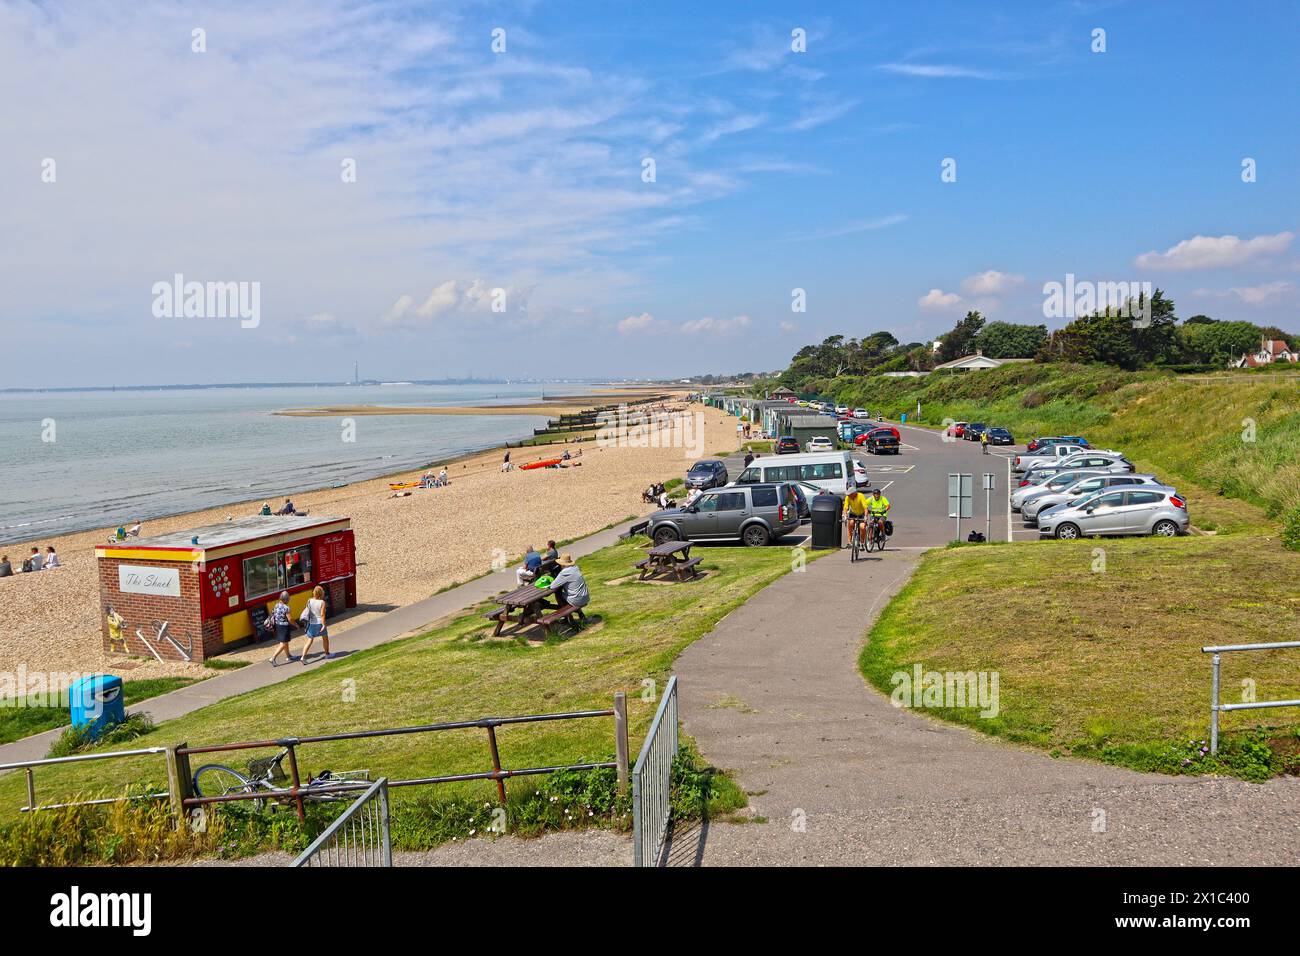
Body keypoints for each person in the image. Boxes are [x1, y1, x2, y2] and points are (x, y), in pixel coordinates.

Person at [551, 554, 590, 621]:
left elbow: (552, 586)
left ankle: (568, 617)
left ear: (562, 564)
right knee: (573, 594)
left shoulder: (565, 572)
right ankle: (580, 614)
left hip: (578, 600)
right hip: (585, 597)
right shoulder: (576, 568)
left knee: (558, 594)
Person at [299, 585, 330, 662]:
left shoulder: (309, 600)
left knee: (309, 640)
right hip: (319, 623)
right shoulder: (322, 602)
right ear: (321, 593)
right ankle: (327, 654)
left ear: (314, 592)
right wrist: (323, 624)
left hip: (311, 623)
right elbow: (322, 614)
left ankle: (303, 657)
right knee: (325, 638)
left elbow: (307, 610)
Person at [267, 591, 296, 665]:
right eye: (288, 598)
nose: (289, 599)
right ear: (286, 599)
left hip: (277, 626)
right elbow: (290, 619)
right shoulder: (286, 608)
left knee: (285, 642)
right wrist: (296, 625)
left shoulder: (276, 605)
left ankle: (288, 656)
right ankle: (272, 658)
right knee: (283, 644)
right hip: (284, 627)